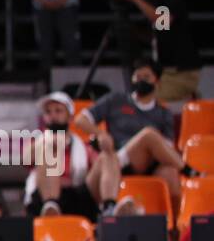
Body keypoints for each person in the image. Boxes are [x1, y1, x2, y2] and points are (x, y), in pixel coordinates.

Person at [74, 59, 197, 213]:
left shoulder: (164, 114)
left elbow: (166, 149)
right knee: (149, 134)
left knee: (170, 172)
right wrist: (101, 133)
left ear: (156, 80)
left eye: (146, 77)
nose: (141, 81)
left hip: (148, 163)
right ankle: (188, 171)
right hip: (117, 160)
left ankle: (172, 227)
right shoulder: (116, 100)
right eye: (137, 77)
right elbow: (80, 119)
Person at [115, 0, 201, 104]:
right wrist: (131, 31)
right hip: (164, 72)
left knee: (147, 99)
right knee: (142, 94)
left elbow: (162, 21)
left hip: (181, 73)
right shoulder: (152, 0)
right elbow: (161, 34)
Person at [25, 91, 122, 221]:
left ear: (70, 116)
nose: (53, 115)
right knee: (48, 150)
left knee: (108, 156)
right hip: (44, 198)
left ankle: (109, 207)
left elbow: (99, 170)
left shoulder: (83, 146)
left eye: (58, 111)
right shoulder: (38, 142)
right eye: (48, 112)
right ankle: (51, 205)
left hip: (77, 197)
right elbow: (25, 159)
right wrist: (48, 144)